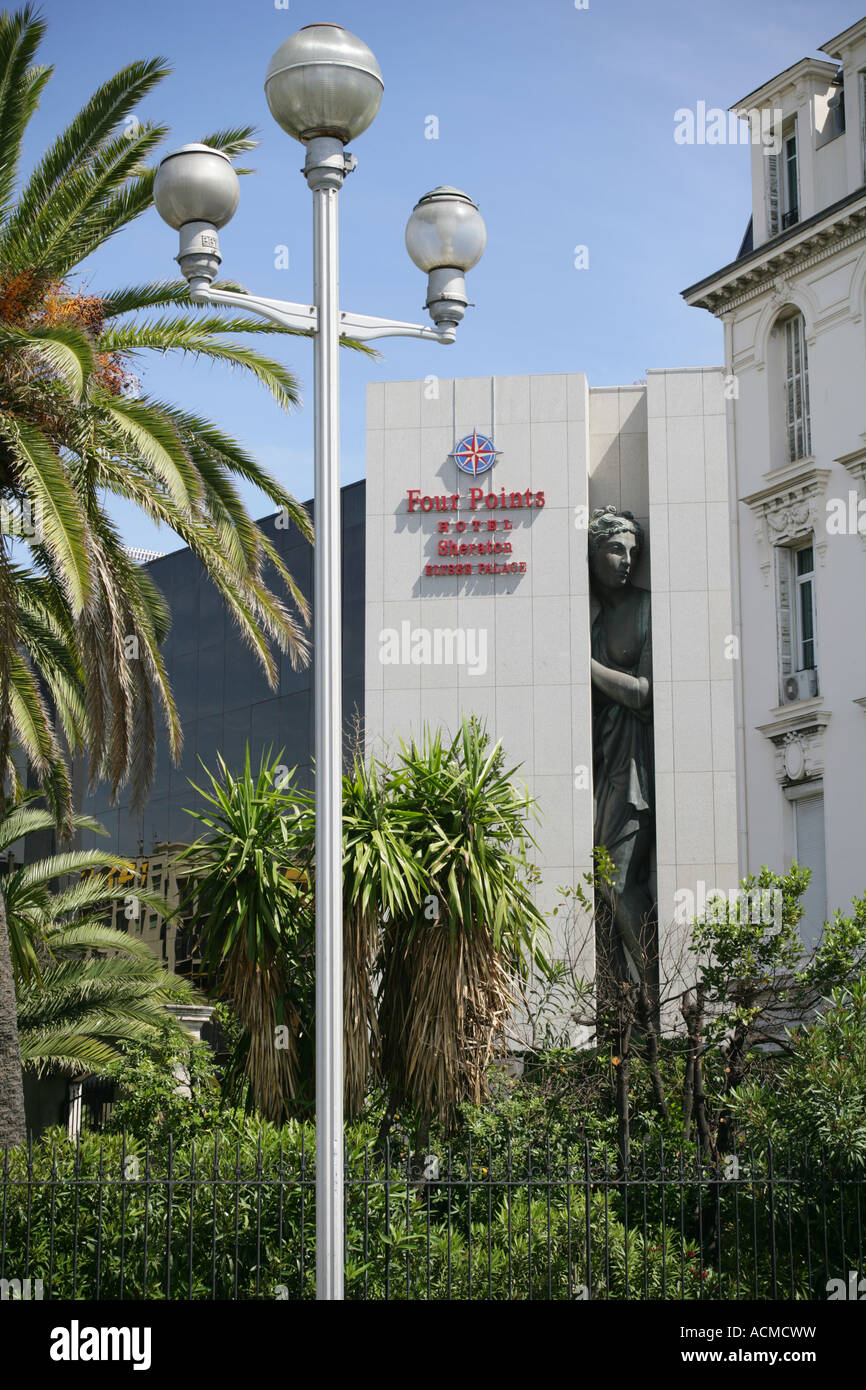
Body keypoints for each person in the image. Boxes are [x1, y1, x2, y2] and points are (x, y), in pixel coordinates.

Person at [588, 506, 655, 986]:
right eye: (615, 549)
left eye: (633, 550)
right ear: (592, 554)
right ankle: (616, 1006)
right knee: (598, 885)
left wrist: (583, 664)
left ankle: (657, 998)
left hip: (636, 766)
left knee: (616, 880)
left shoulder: (647, 606)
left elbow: (645, 695)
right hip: (600, 761)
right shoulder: (590, 620)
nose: (627, 559)